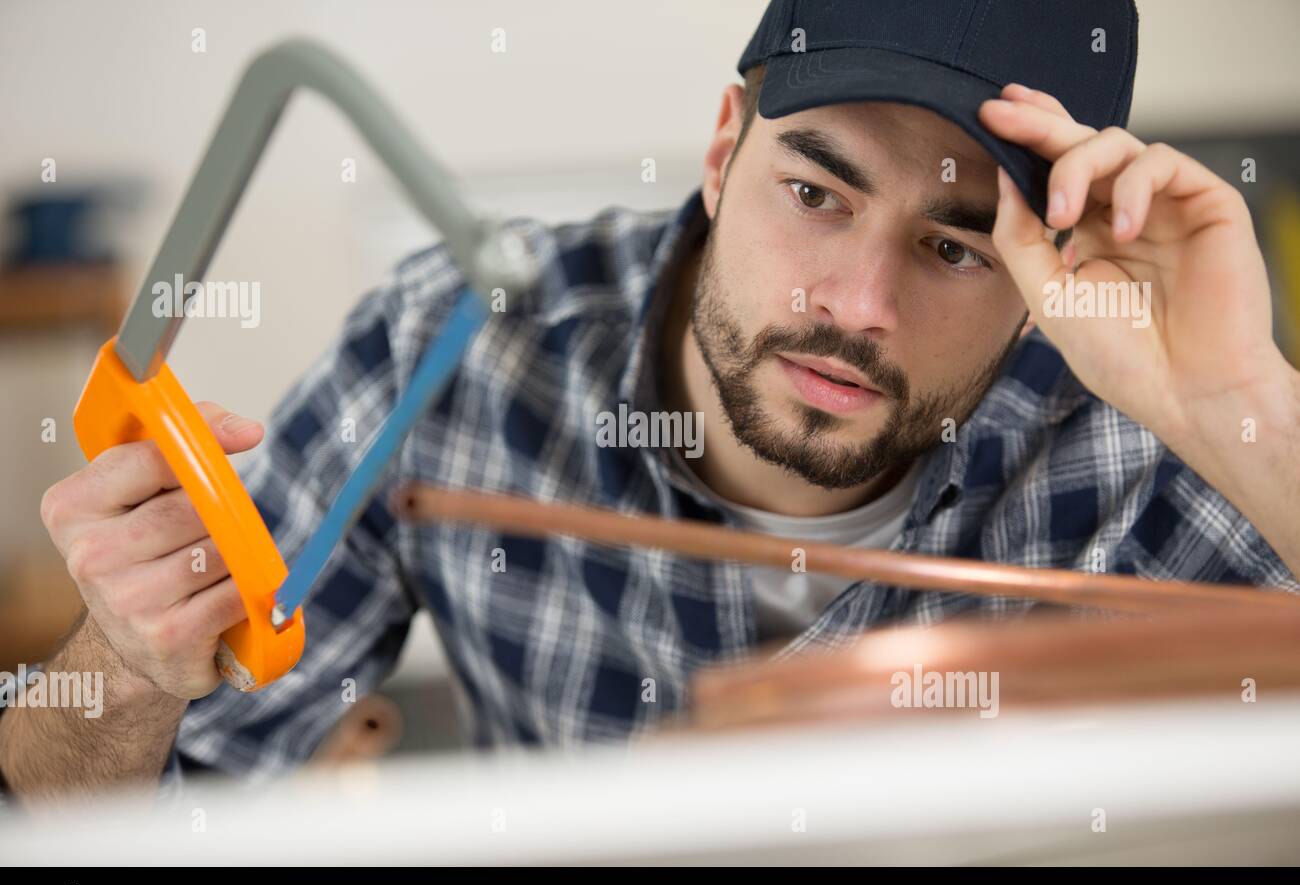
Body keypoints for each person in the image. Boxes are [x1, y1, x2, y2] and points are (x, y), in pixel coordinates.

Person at [4, 0, 1298, 800]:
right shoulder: (456, 349)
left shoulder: (1145, 427)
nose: (857, 304)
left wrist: (1241, 399)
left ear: (1042, 272)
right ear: (727, 145)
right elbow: (112, 838)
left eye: (956, 246)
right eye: (816, 190)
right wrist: (121, 669)